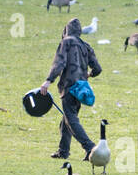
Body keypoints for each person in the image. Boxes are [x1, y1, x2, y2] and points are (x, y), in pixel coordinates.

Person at [39, 17, 102, 160]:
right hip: (82, 89)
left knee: (71, 120)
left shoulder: (66, 42)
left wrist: (48, 81)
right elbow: (97, 68)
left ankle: (90, 147)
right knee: (67, 120)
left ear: (66, 30)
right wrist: (89, 74)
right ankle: (63, 151)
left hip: (69, 86)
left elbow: (59, 63)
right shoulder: (85, 45)